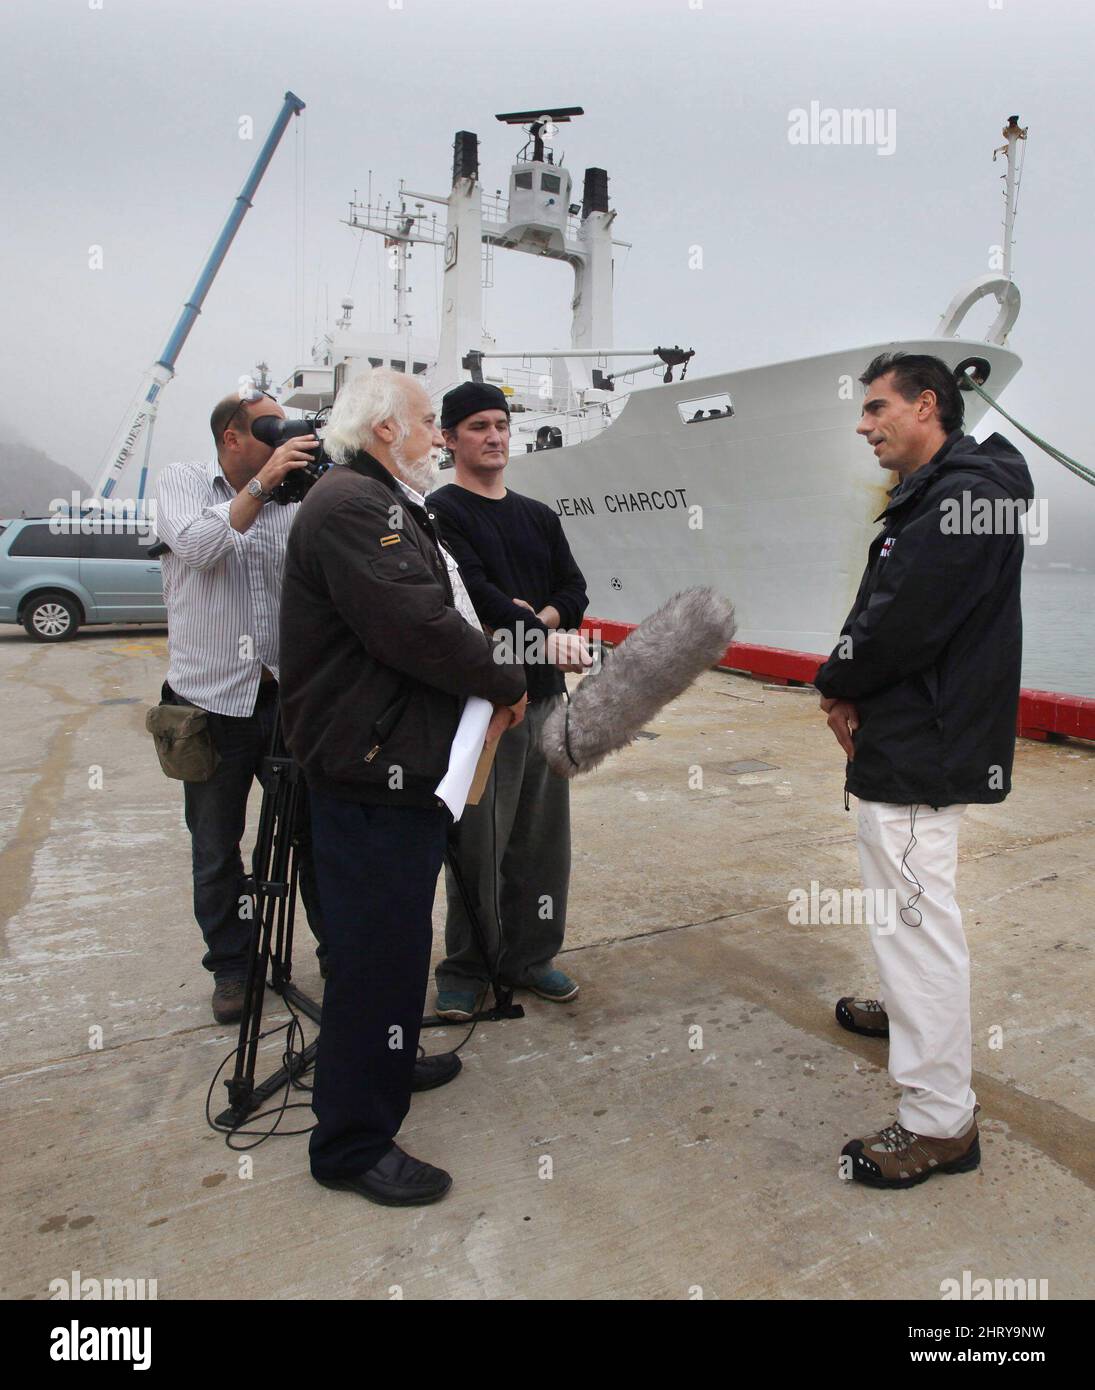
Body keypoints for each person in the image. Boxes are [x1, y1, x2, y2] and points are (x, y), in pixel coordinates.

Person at [278, 368, 527, 1207]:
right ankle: (350, 1143)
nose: (437, 436)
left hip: (390, 760)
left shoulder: (379, 501)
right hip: (368, 767)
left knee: (388, 944)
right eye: (427, 421)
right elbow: (415, 623)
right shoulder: (353, 506)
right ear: (385, 428)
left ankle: (387, 1053)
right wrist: (506, 679)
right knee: (375, 954)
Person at [813, 352, 1033, 1189]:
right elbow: (885, 600)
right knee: (908, 913)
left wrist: (835, 683)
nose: (862, 426)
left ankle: (939, 1124)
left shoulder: (962, 498)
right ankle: (908, 1012)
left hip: (921, 744)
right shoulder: (945, 492)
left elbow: (902, 621)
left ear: (926, 405)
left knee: (916, 927)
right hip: (917, 736)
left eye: (875, 409)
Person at [154, 386, 326, 1025]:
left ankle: (339, 955)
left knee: (312, 838)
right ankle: (233, 966)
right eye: (268, 431)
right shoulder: (183, 482)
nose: (283, 443)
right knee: (216, 844)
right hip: (208, 704)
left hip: (288, 700)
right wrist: (261, 485)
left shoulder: (297, 493)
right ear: (231, 437)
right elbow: (200, 547)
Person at [428, 382, 591, 1021]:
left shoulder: (538, 516)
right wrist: (537, 626)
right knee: (478, 842)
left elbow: (573, 587)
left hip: (547, 700)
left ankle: (530, 958)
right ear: (449, 438)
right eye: (477, 426)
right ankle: (467, 965)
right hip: (484, 703)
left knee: (543, 842)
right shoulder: (441, 514)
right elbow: (481, 599)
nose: (494, 436)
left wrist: (539, 620)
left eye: (500, 424)